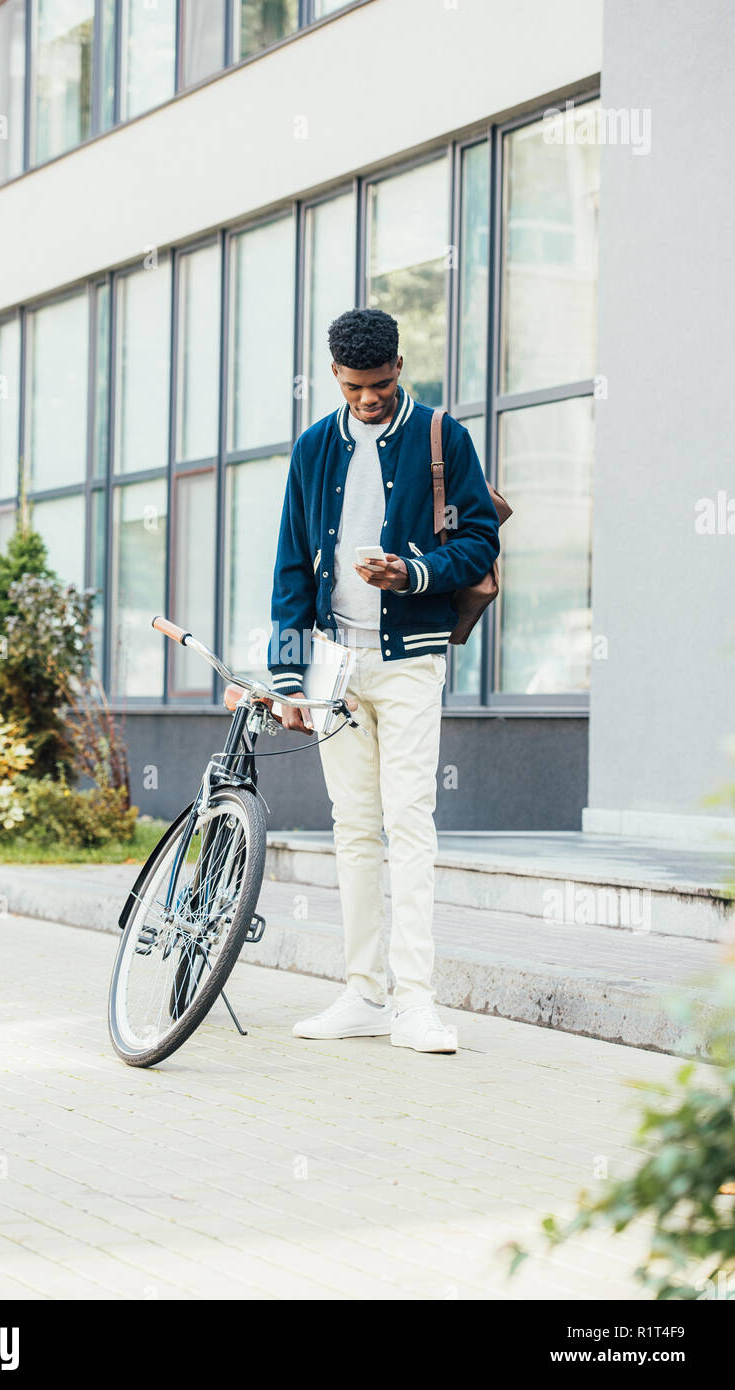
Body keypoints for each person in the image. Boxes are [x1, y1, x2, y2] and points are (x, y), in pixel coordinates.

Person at [268, 308, 500, 1053]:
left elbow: (478, 541)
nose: (367, 398)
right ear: (334, 374)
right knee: (352, 828)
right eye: (352, 386)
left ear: (399, 364)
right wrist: (286, 675)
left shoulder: (441, 436)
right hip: (335, 664)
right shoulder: (312, 449)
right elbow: (290, 567)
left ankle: (417, 1002)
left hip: (408, 659)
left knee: (409, 822)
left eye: (378, 383)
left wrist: (412, 571)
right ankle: (362, 994)